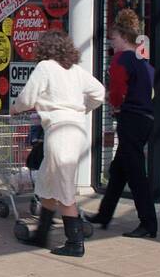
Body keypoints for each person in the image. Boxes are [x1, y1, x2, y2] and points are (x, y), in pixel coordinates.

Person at [11, 29, 106, 256]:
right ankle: (42, 234)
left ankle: (75, 243)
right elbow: (99, 93)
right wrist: (81, 109)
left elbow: (27, 98)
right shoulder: (75, 70)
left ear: (45, 48)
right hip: (75, 129)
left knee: (62, 186)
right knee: (47, 180)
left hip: (59, 131)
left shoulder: (45, 67)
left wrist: (15, 108)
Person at [92, 8, 158, 238]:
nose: (112, 41)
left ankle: (148, 223)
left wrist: (115, 105)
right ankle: (104, 214)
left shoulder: (121, 59)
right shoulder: (142, 60)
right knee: (119, 170)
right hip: (145, 118)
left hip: (130, 117)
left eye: (114, 37)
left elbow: (117, 90)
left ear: (123, 36)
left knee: (137, 174)